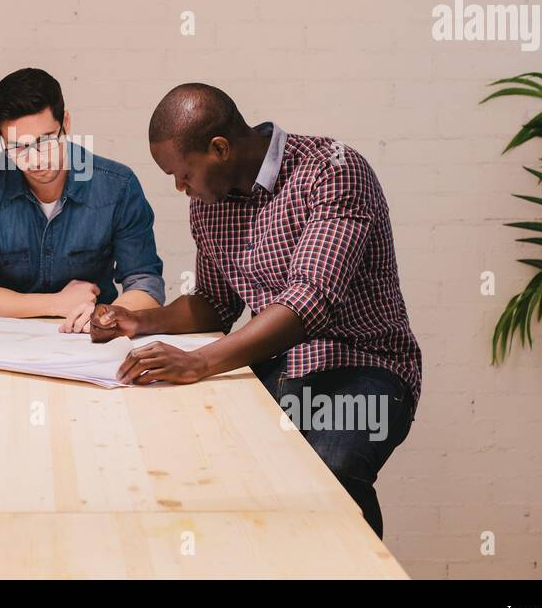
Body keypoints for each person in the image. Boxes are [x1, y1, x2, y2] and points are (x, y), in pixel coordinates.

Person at [90, 82, 421, 538]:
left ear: (219, 148)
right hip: (275, 365)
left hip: (364, 365)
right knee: (210, 468)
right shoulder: (209, 207)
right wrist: (142, 321)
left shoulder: (332, 171)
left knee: (327, 474)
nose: (178, 187)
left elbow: (311, 299)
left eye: (182, 173)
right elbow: (216, 304)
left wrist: (200, 361)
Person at [0, 68, 164, 333]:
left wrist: (107, 315)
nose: (35, 159)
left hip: (88, 335)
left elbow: (147, 286)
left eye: (46, 141)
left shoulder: (118, 186)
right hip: (4, 341)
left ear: (66, 123)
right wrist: (56, 304)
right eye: (18, 147)